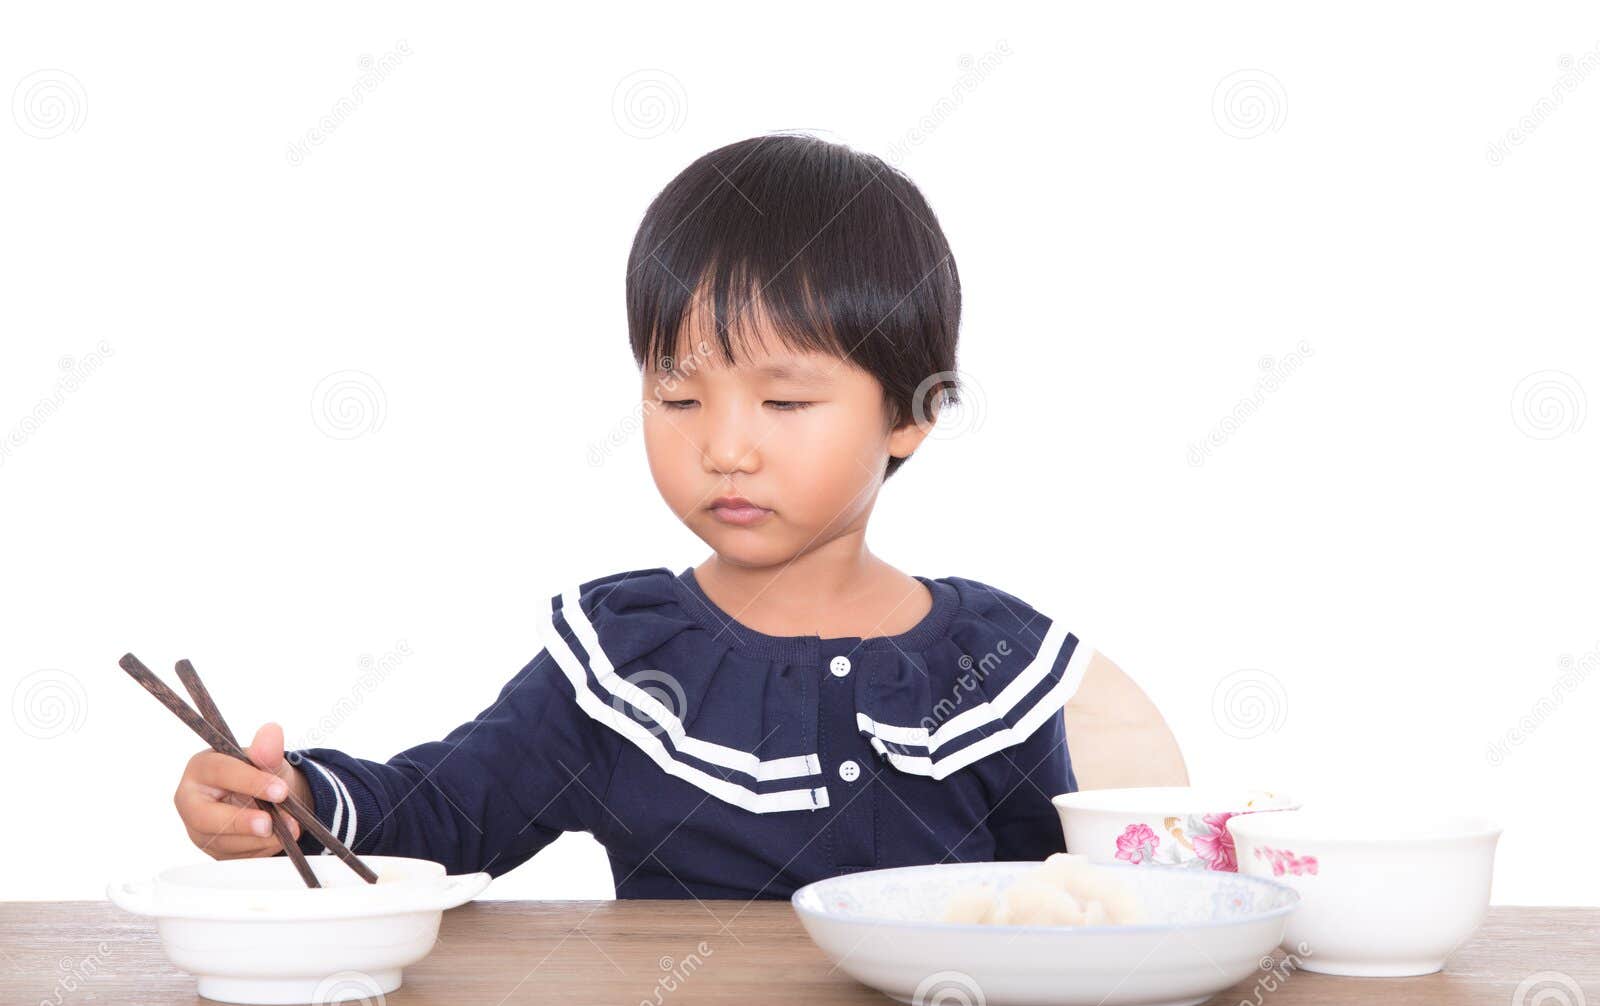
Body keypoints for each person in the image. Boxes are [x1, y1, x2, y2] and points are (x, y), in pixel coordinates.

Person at [172, 133, 1183, 900]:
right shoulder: (623, 663)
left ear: (912, 414)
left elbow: (1067, 905)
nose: (724, 445)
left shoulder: (989, 666)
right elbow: (447, 808)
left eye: (784, 402)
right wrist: (294, 798)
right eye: (678, 394)